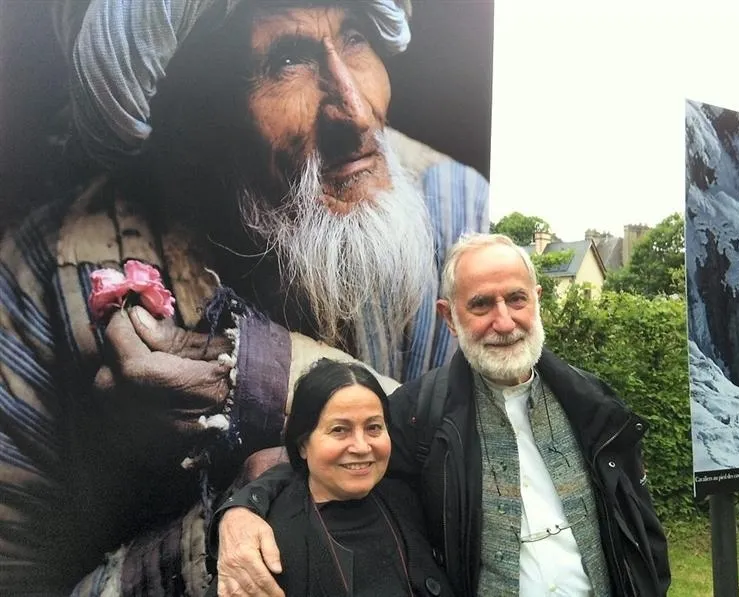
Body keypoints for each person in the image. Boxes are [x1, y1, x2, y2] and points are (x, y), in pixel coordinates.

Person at [0, 1, 488, 594]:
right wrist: (211, 541)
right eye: (287, 61)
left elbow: (509, 497)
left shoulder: (462, 217)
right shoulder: (40, 282)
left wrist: (267, 382)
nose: (357, 113)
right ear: (189, 118)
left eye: (356, 37)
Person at [215, 233, 672, 597]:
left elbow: (635, 518)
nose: (504, 321)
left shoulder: (590, 400)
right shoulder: (419, 413)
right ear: (449, 317)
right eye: (481, 304)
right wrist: (240, 511)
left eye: (516, 299)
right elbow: (331, 457)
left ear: (537, 300)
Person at [208, 358, 455, 597]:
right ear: (303, 443)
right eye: (339, 430)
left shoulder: (406, 499)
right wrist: (236, 511)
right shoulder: (266, 546)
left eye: (373, 427)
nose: (361, 446)